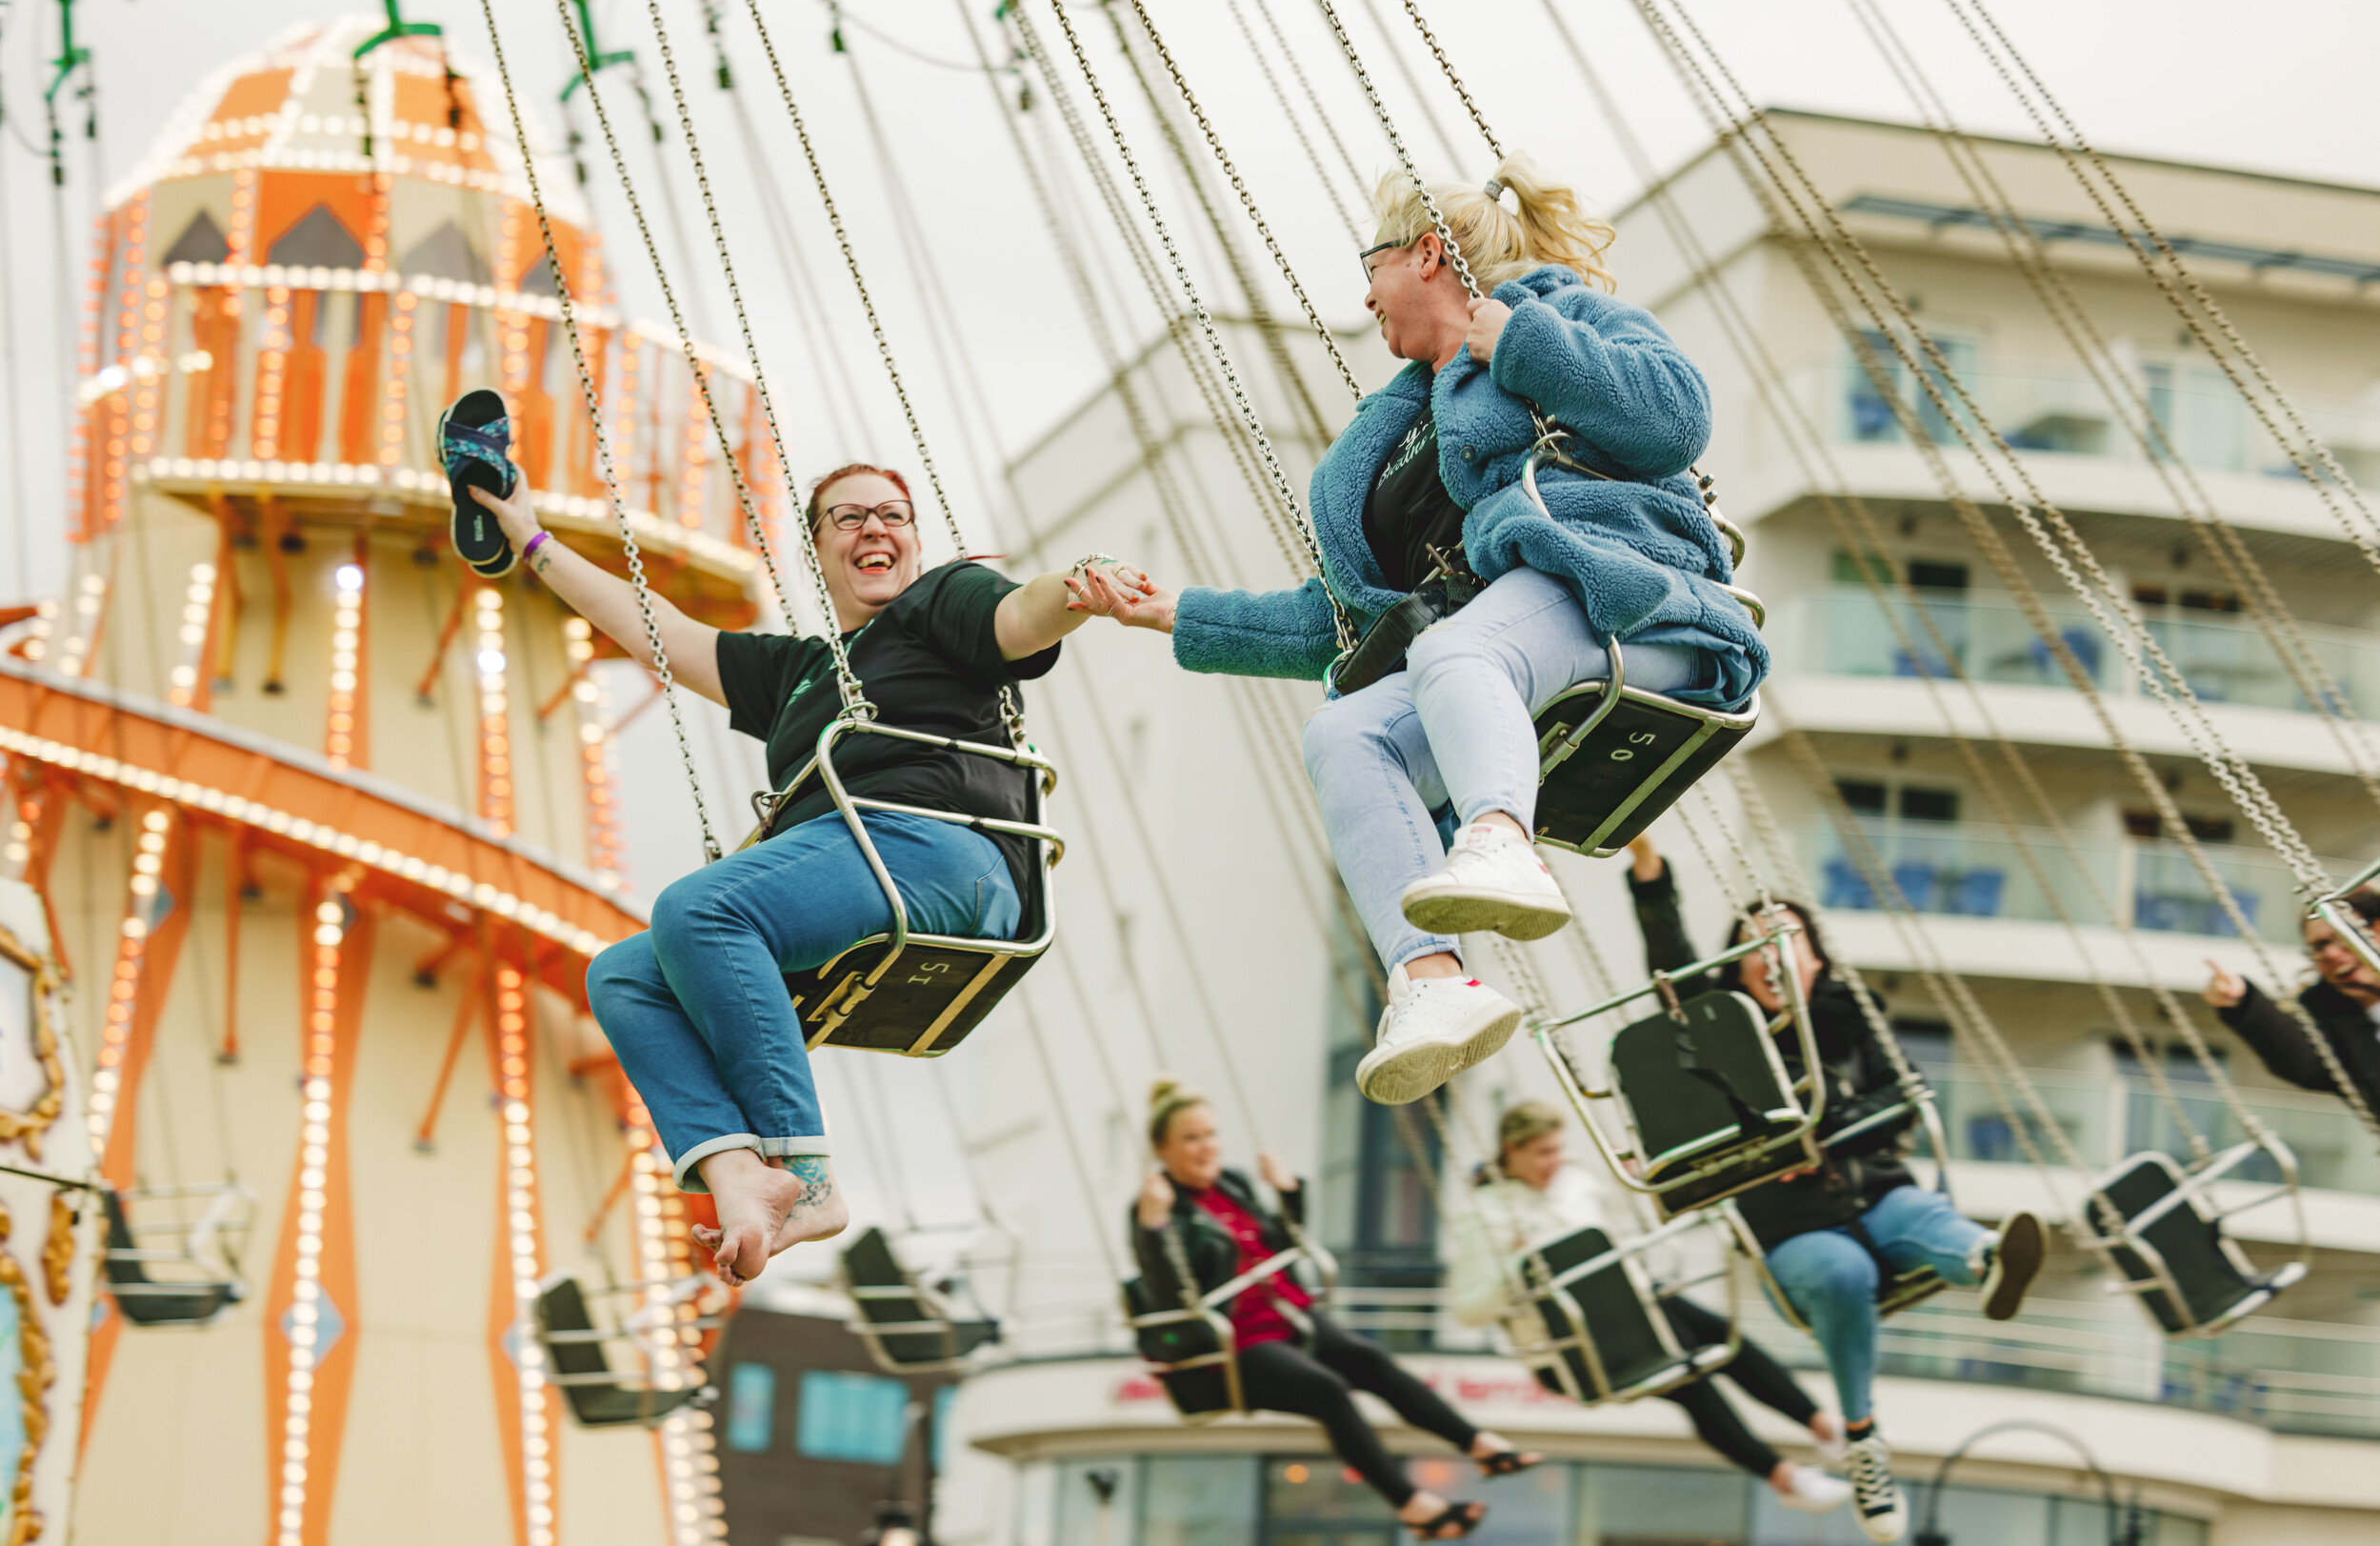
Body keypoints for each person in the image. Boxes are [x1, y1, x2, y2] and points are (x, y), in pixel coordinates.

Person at [1070, 155, 1766, 1109]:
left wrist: (1521, 341)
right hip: (1510, 644)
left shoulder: (1559, 320)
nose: (1362, 295)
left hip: (1629, 598)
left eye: (1372, 263)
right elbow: (1348, 621)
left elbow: (1677, 417)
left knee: (1458, 649)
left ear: (1427, 254)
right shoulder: (1401, 429)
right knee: (1343, 731)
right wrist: (1172, 614)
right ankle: (1429, 980)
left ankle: (1496, 833)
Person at [456, 397, 1134, 1286]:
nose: (872, 528)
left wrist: (1073, 588)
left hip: (946, 854)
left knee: (698, 907)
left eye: (891, 514)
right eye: (846, 517)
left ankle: (808, 1179)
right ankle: (742, 1177)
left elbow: (1018, 618)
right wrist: (532, 540)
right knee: (623, 972)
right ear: (820, 551)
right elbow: (655, 628)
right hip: (858, 866)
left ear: (915, 543)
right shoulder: (802, 672)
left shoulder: (941, 603)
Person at [1620, 837, 2045, 1544]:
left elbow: (1901, 1095)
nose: (1772, 955)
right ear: (1732, 962)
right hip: (1791, 1229)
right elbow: (1667, 953)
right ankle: (1861, 1436)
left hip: (1874, 1191)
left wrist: (1818, 1137)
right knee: (1844, 1270)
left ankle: (1988, 1258)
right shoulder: (1715, 1024)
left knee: (1921, 1215)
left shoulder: (1852, 1014)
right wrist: (1646, 868)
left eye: (1788, 940)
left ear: (1815, 958)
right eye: (1755, 943)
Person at [1133, 1078, 1536, 1540]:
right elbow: (1168, 1294)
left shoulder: (1233, 1183)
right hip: (1233, 1344)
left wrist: (1287, 1193)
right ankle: (1412, 1505)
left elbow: (1283, 1244)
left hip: (1288, 1317)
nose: (1206, 1147)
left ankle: (1478, 1444)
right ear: (1163, 1150)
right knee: (1327, 1390)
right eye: (1191, 1138)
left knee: (1371, 1361)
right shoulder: (1155, 1207)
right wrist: (1153, 1226)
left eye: (1210, 1134)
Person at [1445, 1101, 1851, 1515]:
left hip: (1635, 1309)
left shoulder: (1576, 1183)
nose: (1555, 1162)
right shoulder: (1486, 1214)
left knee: (1723, 1337)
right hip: (1571, 1349)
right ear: (1512, 1150)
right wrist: (1516, 1271)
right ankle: (1785, 1475)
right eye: (1543, 1153)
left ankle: (1825, 1429)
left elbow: (1621, 1230)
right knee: (1691, 1376)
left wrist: (1634, 1182)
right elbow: (1467, 1310)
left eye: (1557, 1149)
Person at [2202, 887, 2380, 1123]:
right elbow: (2302, 1060)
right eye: (2320, 946)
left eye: (2344, 938)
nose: (2332, 954)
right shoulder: (2329, 1015)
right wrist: (2242, 1000)